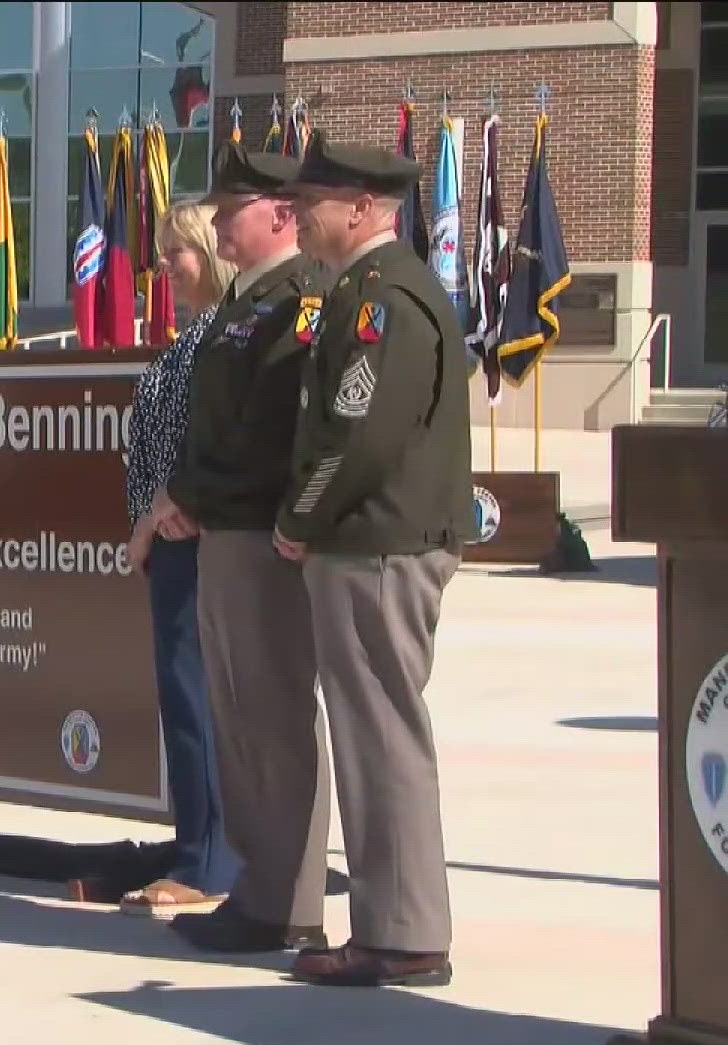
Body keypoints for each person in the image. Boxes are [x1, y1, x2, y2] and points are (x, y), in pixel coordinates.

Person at [275, 134, 473, 987]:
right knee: (375, 735)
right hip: (368, 543)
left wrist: (300, 517)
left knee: (381, 737)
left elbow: (358, 434)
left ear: (361, 208)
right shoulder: (363, 290)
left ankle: (401, 935)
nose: (299, 215)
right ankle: (395, 925)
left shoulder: (382, 300)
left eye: (312, 201)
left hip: (375, 545)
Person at [160, 144, 336, 952]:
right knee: (238, 720)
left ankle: (288, 902)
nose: (222, 224)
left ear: (277, 216)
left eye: (232, 212)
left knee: (272, 720)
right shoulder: (242, 305)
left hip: (260, 532)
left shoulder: (301, 300)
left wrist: (198, 495)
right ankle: (258, 889)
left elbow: (276, 428)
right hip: (220, 530)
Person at [117, 201, 240, 918]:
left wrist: (160, 516)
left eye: (177, 252)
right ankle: (194, 845)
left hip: (196, 544)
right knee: (181, 701)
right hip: (162, 547)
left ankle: (207, 861)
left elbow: (205, 445)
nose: (165, 266)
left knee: (199, 703)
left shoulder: (226, 339)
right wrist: (142, 523)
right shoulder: (187, 339)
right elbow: (149, 447)